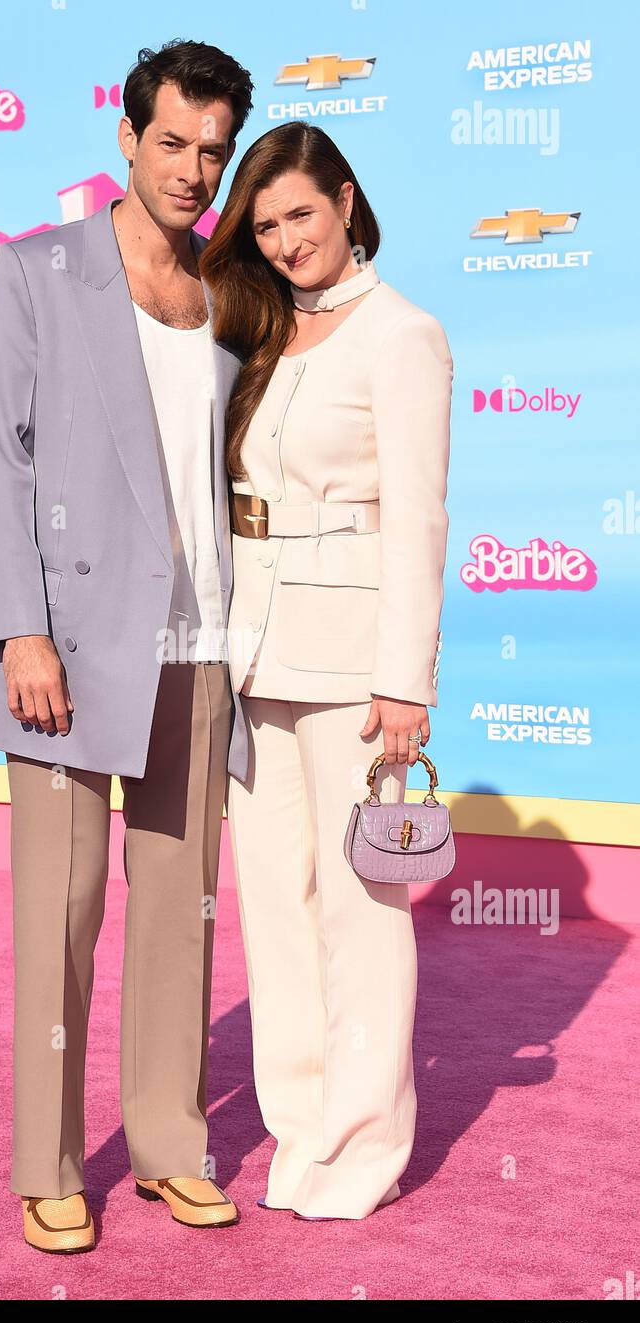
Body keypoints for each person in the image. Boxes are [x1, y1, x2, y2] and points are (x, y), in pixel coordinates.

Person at [0, 40, 254, 1253]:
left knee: (181, 913)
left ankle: (166, 1143)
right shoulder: (39, 272)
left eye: (213, 150)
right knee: (64, 913)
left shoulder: (230, 297)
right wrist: (19, 628)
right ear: (126, 140)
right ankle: (46, 1164)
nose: (193, 170)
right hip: (70, 649)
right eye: (173, 143)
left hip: (196, 645)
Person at [200, 121, 453, 1220]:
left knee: (362, 910)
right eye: (264, 225)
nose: (287, 240)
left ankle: (357, 1151)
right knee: (276, 908)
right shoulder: (258, 331)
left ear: (345, 202)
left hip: (355, 669)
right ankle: (297, 1131)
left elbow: (417, 518)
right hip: (253, 656)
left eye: (300, 213)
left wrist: (406, 679)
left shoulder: (401, 333)